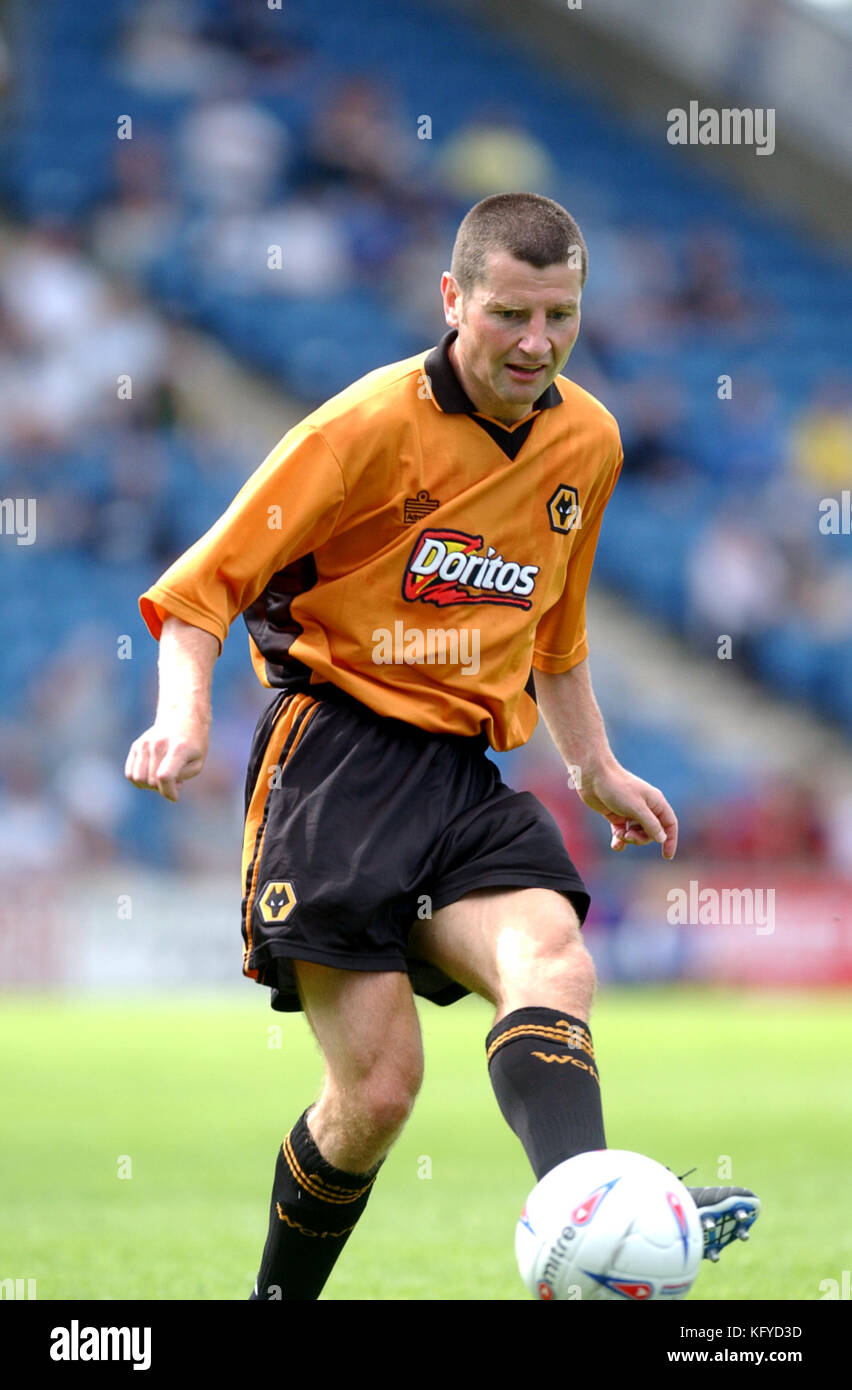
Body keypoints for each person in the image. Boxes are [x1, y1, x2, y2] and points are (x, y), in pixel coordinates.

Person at [125, 193, 760, 1300]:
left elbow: (555, 636)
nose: (537, 343)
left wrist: (595, 767)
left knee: (551, 956)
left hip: (463, 775)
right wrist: (182, 713)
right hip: (333, 762)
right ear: (453, 298)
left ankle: (596, 1213)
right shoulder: (361, 428)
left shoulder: (589, 441)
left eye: (560, 315)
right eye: (512, 313)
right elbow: (198, 593)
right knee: (376, 1099)